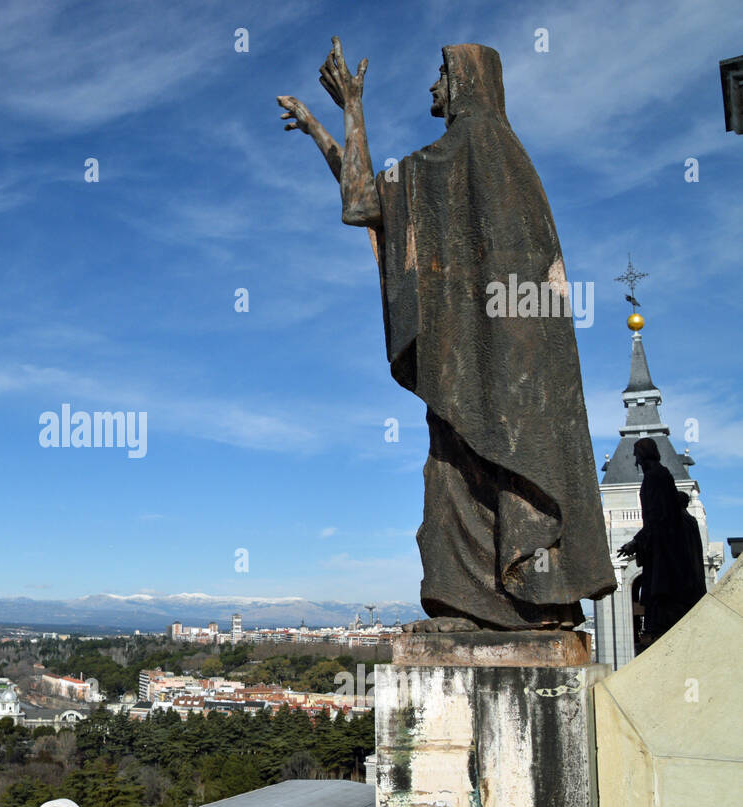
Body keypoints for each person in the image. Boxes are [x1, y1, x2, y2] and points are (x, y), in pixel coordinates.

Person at [278, 40, 615, 631]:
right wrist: (320, 132)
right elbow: (379, 202)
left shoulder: (462, 149)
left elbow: (363, 202)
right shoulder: (501, 152)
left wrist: (353, 108)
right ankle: (526, 599)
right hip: (503, 361)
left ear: (463, 81)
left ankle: (481, 604)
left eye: (441, 74)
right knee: (474, 467)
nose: (433, 86)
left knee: (455, 469)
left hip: (482, 362)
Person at [617, 439, 704, 650]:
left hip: (663, 551)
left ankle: (657, 633)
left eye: (637, 454)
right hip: (660, 547)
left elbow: (658, 518)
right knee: (658, 595)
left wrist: (635, 542)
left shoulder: (656, 477)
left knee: (660, 595)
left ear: (644, 455)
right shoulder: (659, 475)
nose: (635, 459)